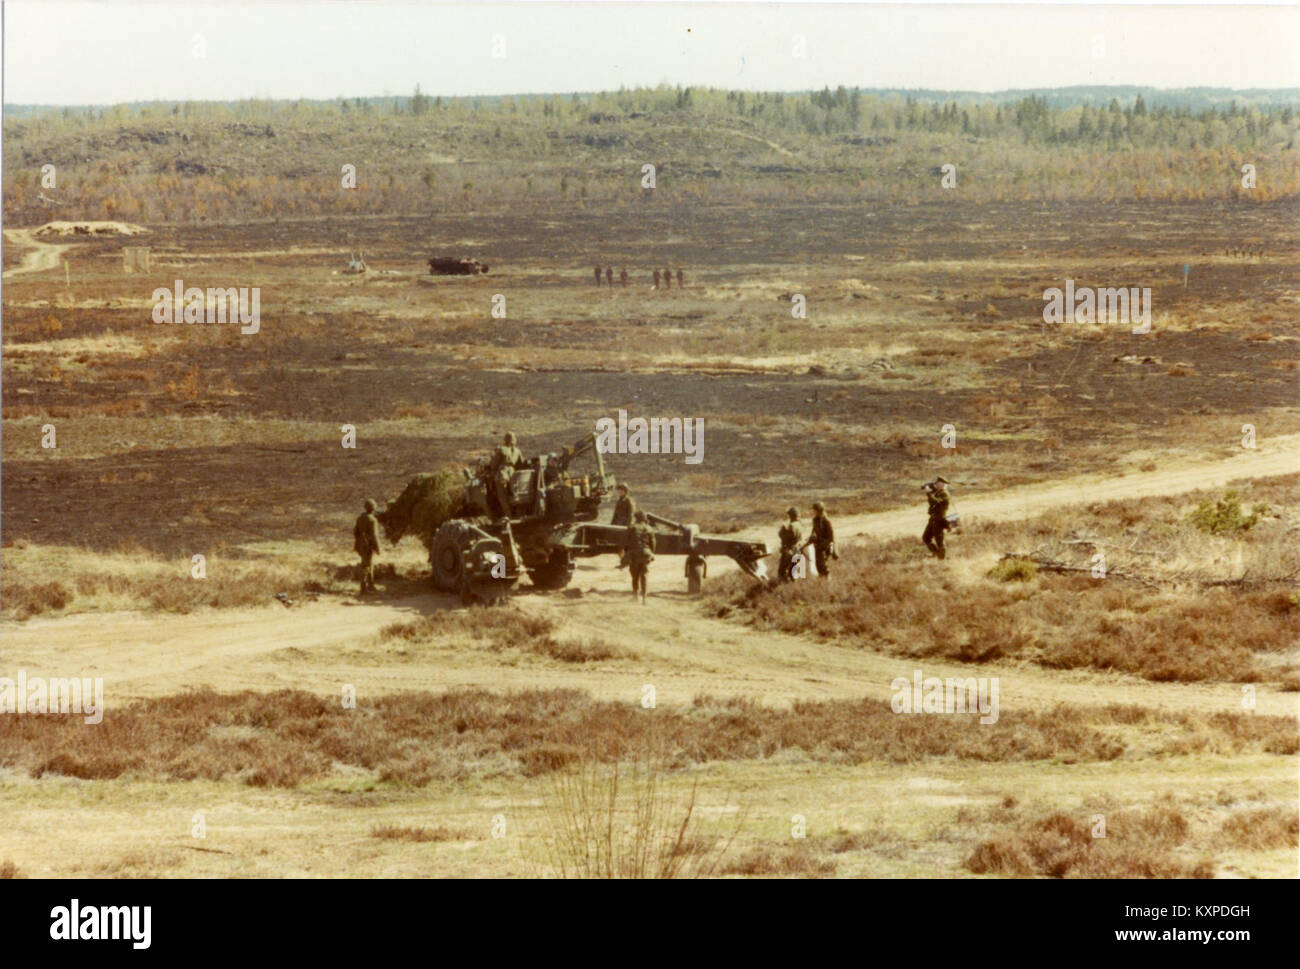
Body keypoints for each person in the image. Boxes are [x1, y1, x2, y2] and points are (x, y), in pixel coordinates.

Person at [488, 432, 525, 518]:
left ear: (505, 440)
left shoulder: (501, 449)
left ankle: (509, 516)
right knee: (513, 495)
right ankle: (517, 514)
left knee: (502, 497)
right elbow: (521, 463)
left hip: (502, 475)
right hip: (513, 475)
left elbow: (493, 465)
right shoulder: (517, 451)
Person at [624, 510, 656, 603]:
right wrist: (652, 553)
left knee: (635, 576)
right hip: (646, 554)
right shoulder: (649, 528)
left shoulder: (631, 527)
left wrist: (627, 553)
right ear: (644, 518)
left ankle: (635, 597)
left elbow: (626, 542)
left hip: (634, 555)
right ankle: (644, 598)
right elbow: (653, 542)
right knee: (644, 576)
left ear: (636, 518)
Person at [353, 499, 381, 595]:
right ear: (373, 508)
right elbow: (374, 536)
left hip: (360, 544)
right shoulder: (372, 520)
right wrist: (378, 548)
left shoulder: (360, 518)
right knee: (366, 565)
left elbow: (355, 531)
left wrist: (358, 543)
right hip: (368, 545)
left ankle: (371, 585)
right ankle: (364, 587)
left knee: (368, 564)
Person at [922, 476, 951, 560]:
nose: (936, 485)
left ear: (942, 485)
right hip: (933, 519)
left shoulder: (945, 494)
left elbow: (936, 501)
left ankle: (941, 559)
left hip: (939, 520)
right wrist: (930, 491)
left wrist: (929, 493)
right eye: (936, 484)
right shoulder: (938, 492)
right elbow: (932, 502)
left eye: (938, 484)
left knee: (939, 541)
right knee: (926, 537)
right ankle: (935, 552)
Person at [809, 501, 836, 579]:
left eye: (814, 510)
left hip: (825, 545)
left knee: (823, 564)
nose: (813, 511)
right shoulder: (815, 520)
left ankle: (827, 578)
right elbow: (813, 531)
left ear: (819, 510)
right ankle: (821, 577)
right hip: (818, 545)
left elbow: (831, 537)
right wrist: (810, 539)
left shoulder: (826, 521)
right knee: (818, 563)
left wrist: (825, 545)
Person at [611, 483, 636, 568]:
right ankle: (624, 562)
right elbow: (615, 514)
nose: (619, 492)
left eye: (621, 490)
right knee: (619, 546)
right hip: (618, 525)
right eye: (618, 490)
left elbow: (631, 515)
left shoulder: (629, 501)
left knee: (625, 546)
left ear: (625, 491)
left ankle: (626, 563)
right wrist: (612, 525)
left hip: (625, 526)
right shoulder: (619, 501)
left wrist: (628, 526)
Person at [777, 507, 804, 582]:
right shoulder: (799, 524)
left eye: (789, 515)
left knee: (782, 571)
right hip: (798, 550)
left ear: (791, 516)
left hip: (790, 551)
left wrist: (781, 532)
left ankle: (782, 586)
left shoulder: (792, 526)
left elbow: (787, 539)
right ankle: (793, 585)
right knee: (793, 571)